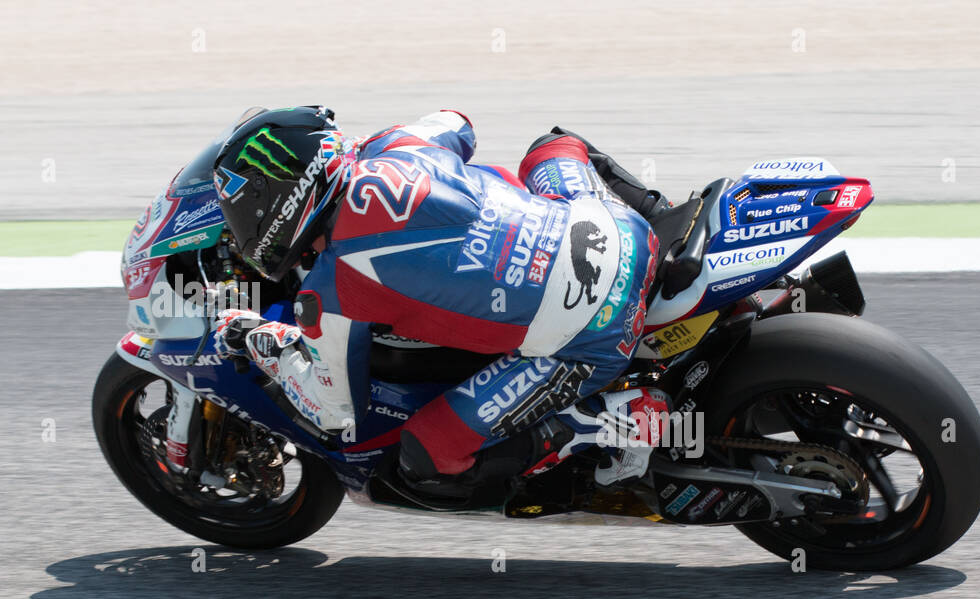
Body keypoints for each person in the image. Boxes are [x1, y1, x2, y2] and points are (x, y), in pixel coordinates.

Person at [209, 105, 669, 498]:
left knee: (428, 454)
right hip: (622, 231)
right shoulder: (398, 147)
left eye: (243, 211)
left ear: (279, 202)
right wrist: (373, 145)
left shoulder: (331, 289)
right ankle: (666, 218)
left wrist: (260, 338)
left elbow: (335, 412)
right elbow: (457, 121)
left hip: (593, 334)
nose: (241, 225)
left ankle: (617, 420)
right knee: (554, 145)